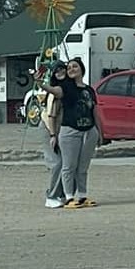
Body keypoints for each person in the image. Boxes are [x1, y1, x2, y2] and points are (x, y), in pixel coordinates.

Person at [43, 57, 99, 208]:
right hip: (61, 130)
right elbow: (51, 114)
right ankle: (61, 196)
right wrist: (53, 135)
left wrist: (100, 131)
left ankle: (81, 195)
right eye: (68, 68)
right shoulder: (64, 89)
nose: (69, 70)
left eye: (74, 67)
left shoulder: (87, 90)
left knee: (81, 166)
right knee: (63, 165)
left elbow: (94, 110)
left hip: (86, 130)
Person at [37, 60, 69, 208]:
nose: (60, 72)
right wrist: (52, 135)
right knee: (58, 163)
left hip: (61, 130)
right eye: (57, 71)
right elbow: (51, 116)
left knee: (67, 163)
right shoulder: (55, 92)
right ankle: (52, 196)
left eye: (62, 69)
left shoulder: (69, 89)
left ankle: (62, 194)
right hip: (49, 129)